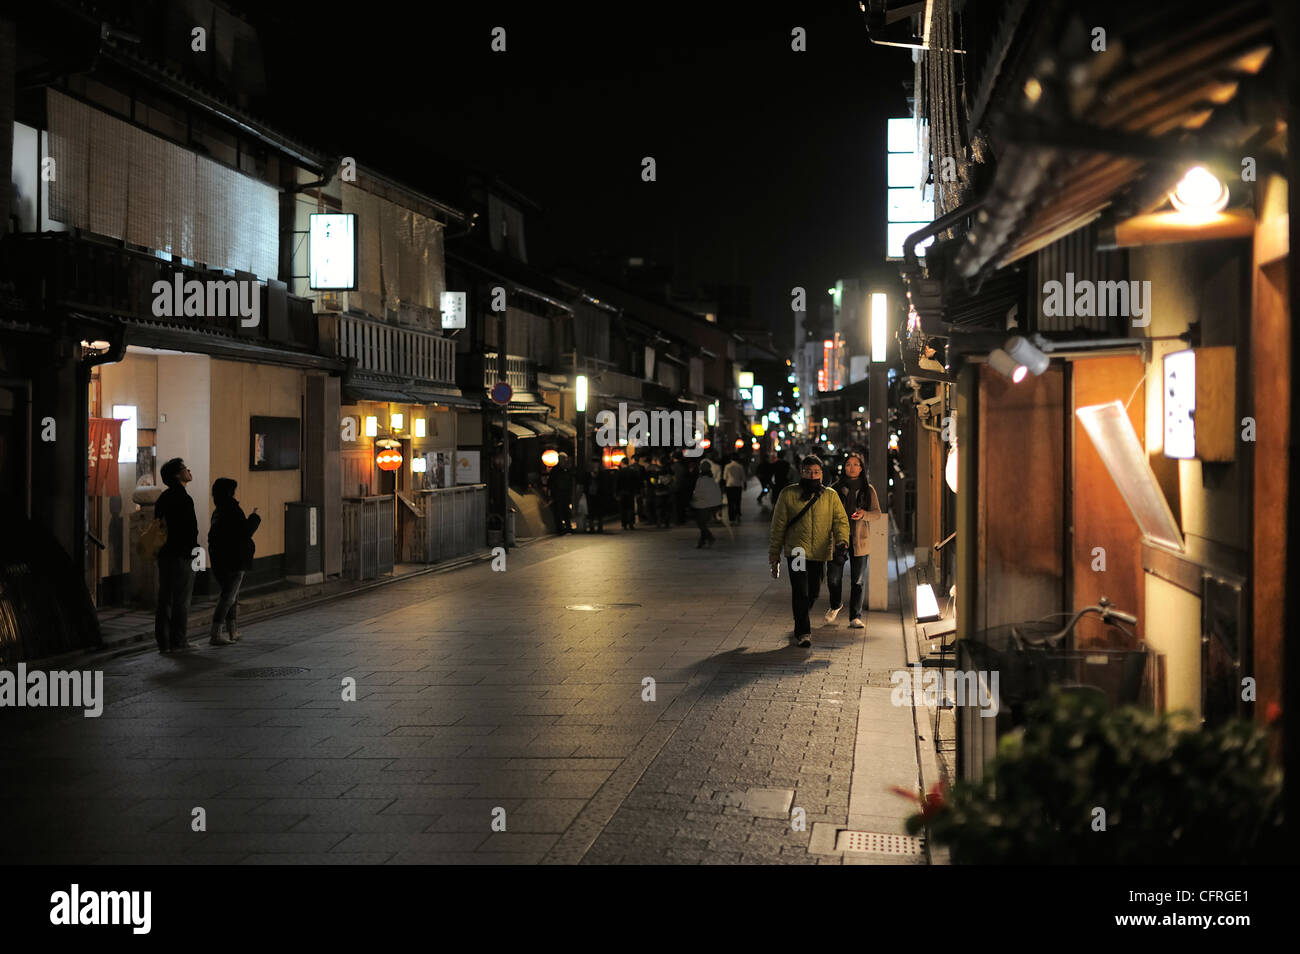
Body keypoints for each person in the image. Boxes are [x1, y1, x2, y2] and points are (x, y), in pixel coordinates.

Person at [767, 454, 849, 647]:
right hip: (797, 551)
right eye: (808, 471)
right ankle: (803, 631)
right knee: (800, 591)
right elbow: (778, 525)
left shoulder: (830, 495)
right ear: (801, 472)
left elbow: (840, 521)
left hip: (820, 552)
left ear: (822, 473)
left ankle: (801, 614)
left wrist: (842, 539)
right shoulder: (788, 494)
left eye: (816, 472)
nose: (812, 475)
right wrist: (774, 552)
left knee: (813, 591)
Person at [825, 451, 882, 629]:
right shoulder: (834, 488)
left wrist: (864, 514)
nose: (852, 467)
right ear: (844, 467)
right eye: (849, 464)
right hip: (838, 538)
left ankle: (855, 616)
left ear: (862, 468)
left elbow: (877, 514)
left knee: (858, 580)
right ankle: (835, 605)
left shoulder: (868, 489)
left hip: (860, 539)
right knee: (834, 578)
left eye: (856, 464)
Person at [207, 478, 261, 646]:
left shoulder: (219, 511)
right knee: (229, 596)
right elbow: (244, 532)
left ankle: (232, 631)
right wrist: (254, 517)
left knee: (231, 596)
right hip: (234, 560)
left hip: (220, 559)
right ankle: (216, 634)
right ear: (229, 492)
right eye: (234, 490)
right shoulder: (232, 509)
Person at [154, 457, 198, 653]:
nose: (188, 470)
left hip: (164, 553)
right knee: (181, 600)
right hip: (182, 554)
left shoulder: (163, 498)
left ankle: (163, 642)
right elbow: (190, 529)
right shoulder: (184, 499)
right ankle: (179, 641)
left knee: (165, 598)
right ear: (176, 474)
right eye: (184, 468)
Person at [689, 459, 723, 548]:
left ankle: (709, 537)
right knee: (702, 523)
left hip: (702, 504)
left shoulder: (702, 479)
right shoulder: (710, 479)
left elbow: (698, 491)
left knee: (701, 523)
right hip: (708, 504)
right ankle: (702, 541)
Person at [549, 452, 574, 534]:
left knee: (566, 511)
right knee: (559, 511)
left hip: (565, 493)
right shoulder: (556, 470)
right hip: (558, 494)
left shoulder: (566, 470)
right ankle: (560, 528)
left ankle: (567, 526)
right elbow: (551, 482)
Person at [616, 459, 640, 530]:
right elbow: (636, 483)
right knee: (630, 508)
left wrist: (616, 493)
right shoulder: (632, 472)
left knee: (623, 509)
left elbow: (617, 483)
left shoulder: (620, 472)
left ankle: (624, 524)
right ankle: (631, 523)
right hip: (630, 492)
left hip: (622, 493)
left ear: (622, 463)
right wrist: (637, 492)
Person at [723, 454, 746, 523]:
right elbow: (743, 477)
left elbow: (724, 477)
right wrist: (745, 485)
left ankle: (731, 518)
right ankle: (738, 514)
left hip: (729, 486)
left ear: (731, 459)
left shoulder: (727, 466)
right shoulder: (740, 466)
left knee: (730, 502)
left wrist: (724, 486)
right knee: (738, 501)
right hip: (737, 486)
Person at [652, 458, 675, 528]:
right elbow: (673, 479)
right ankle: (666, 523)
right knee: (667, 508)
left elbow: (653, 481)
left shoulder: (656, 472)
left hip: (658, 492)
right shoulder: (669, 470)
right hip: (667, 492)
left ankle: (659, 522)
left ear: (659, 462)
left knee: (659, 508)